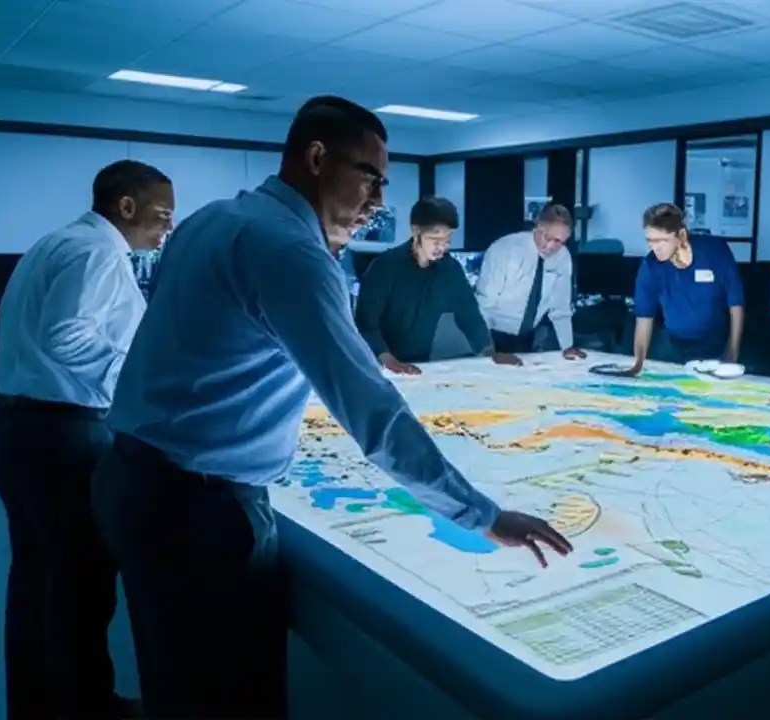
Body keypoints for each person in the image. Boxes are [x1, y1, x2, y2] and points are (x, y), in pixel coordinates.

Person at [90, 97, 572, 719]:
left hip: (135, 480)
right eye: (369, 176)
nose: (378, 200)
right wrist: (480, 515)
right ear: (316, 157)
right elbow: (370, 409)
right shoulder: (290, 251)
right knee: (229, 697)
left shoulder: (212, 220)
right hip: (197, 512)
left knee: (177, 681)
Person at [0, 159, 174, 720]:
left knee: (36, 576)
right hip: (60, 433)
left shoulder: (53, 242)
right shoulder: (99, 252)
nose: (168, 228)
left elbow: (8, 329)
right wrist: (132, 380)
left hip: (15, 426)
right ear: (127, 206)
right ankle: (87, 707)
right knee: (81, 582)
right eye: (163, 214)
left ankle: (37, 703)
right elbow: (66, 337)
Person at [356, 196, 522, 375]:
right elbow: (366, 323)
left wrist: (490, 353)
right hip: (377, 366)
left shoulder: (450, 270)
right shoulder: (384, 267)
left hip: (421, 366)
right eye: (435, 239)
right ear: (415, 231)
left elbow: (470, 316)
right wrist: (388, 360)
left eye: (447, 239)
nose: (442, 247)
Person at [626, 203, 745, 373]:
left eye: (662, 241)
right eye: (649, 241)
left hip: (714, 342)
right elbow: (644, 319)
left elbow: (736, 304)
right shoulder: (650, 266)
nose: (654, 247)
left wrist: (732, 351)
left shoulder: (714, 251)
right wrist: (637, 363)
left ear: (681, 235)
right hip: (673, 343)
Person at [475, 202, 585, 360]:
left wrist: (567, 347)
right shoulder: (505, 249)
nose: (550, 246)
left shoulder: (563, 257)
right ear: (538, 226)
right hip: (493, 333)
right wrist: (488, 351)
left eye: (559, 241)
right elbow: (484, 305)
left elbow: (560, 309)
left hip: (527, 337)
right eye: (547, 237)